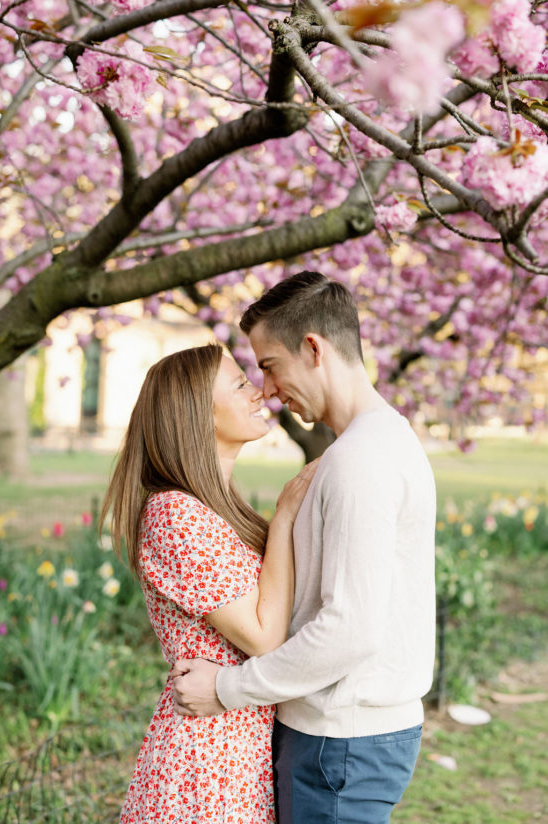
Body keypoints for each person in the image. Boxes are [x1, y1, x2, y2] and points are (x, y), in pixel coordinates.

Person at [173, 272, 437, 824]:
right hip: (349, 735)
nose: (265, 389)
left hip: (338, 741)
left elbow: (349, 629)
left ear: (313, 348)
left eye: (268, 365)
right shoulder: (381, 440)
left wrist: (226, 687)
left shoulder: (359, 460)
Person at [101, 344, 317, 824]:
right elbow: (263, 637)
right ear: (197, 412)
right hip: (206, 762)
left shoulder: (215, 509)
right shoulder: (175, 514)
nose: (258, 391)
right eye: (239, 383)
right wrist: (283, 519)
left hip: (237, 751)